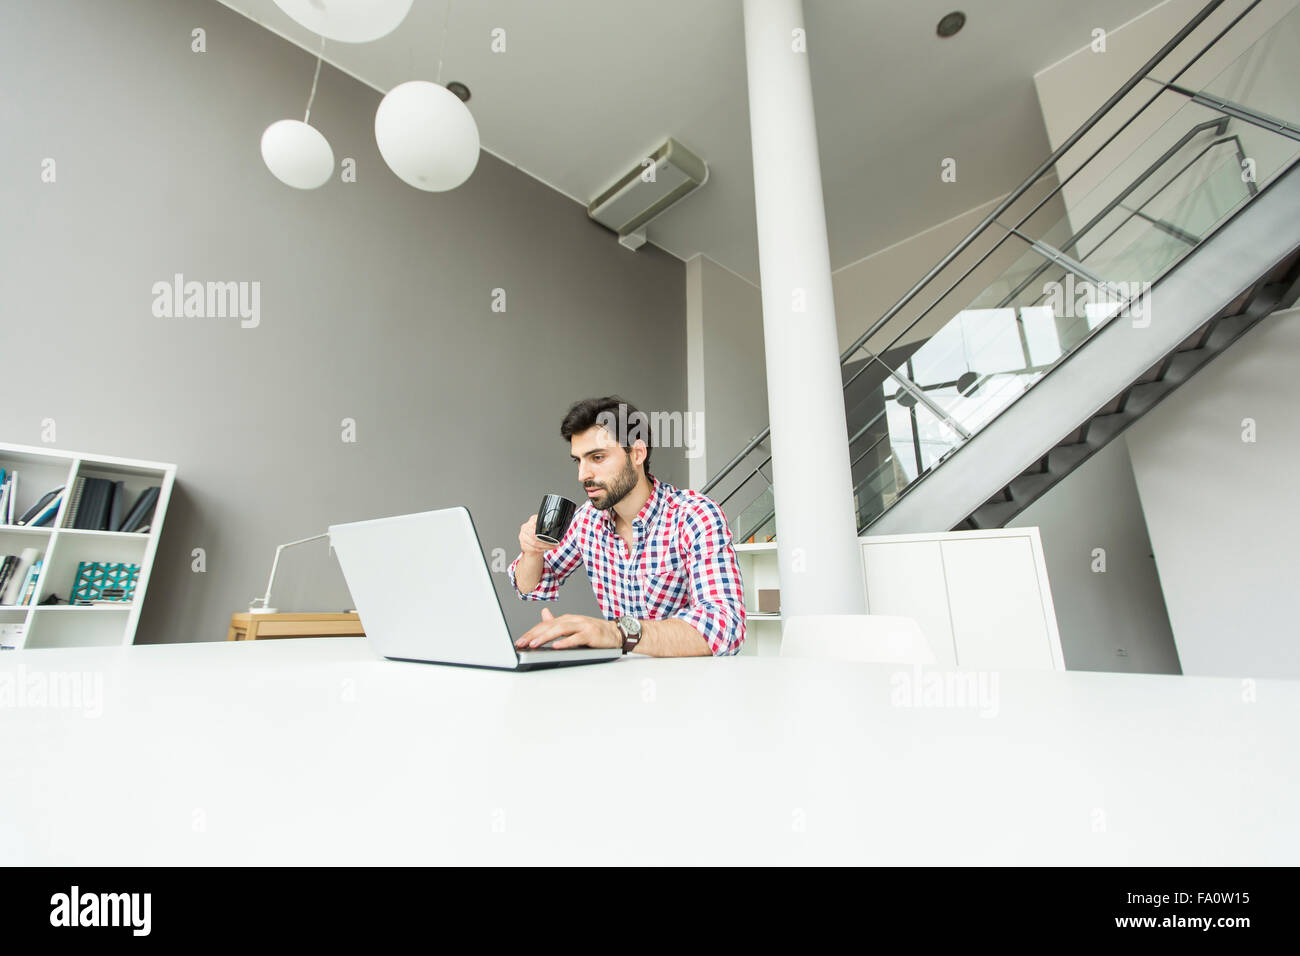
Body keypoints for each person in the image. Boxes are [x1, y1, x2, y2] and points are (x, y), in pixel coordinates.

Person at [509, 396, 746, 657]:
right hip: (620, 682)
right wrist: (532, 552)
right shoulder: (586, 520)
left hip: (687, 685)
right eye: (578, 461)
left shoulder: (695, 515)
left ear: (637, 453)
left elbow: (726, 627)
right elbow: (532, 586)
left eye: (597, 457)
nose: (583, 475)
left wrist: (617, 633)